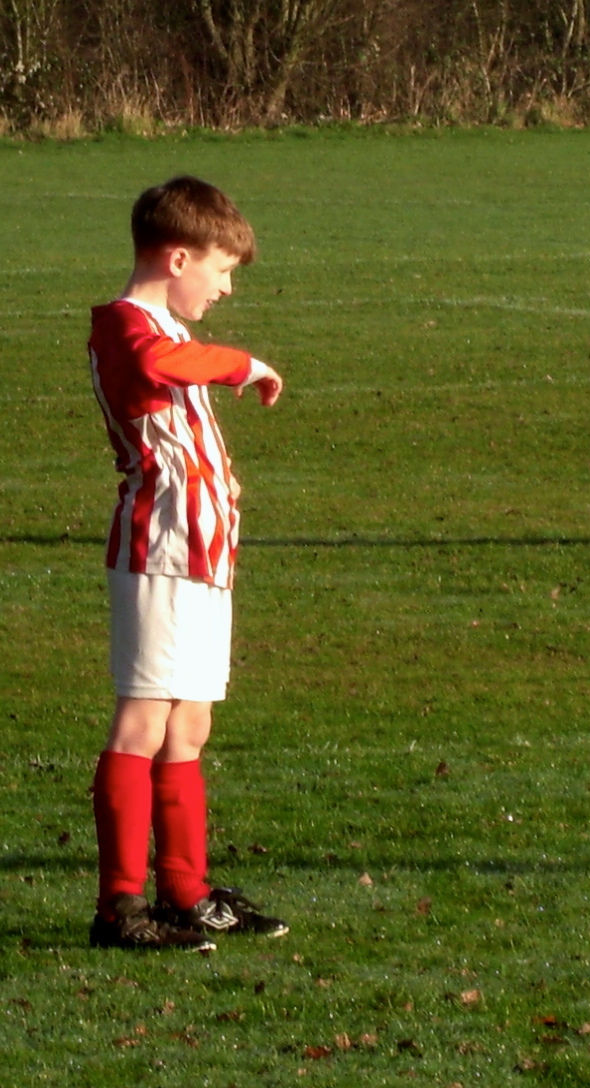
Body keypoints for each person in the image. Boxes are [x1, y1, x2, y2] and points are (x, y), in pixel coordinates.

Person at [88, 176, 291, 947]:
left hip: (204, 556)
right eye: (222, 269)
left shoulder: (166, 329)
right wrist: (244, 364)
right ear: (178, 258)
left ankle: (185, 889)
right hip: (159, 553)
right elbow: (160, 364)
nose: (227, 286)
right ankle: (119, 908)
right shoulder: (126, 325)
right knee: (141, 721)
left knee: (190, 725)